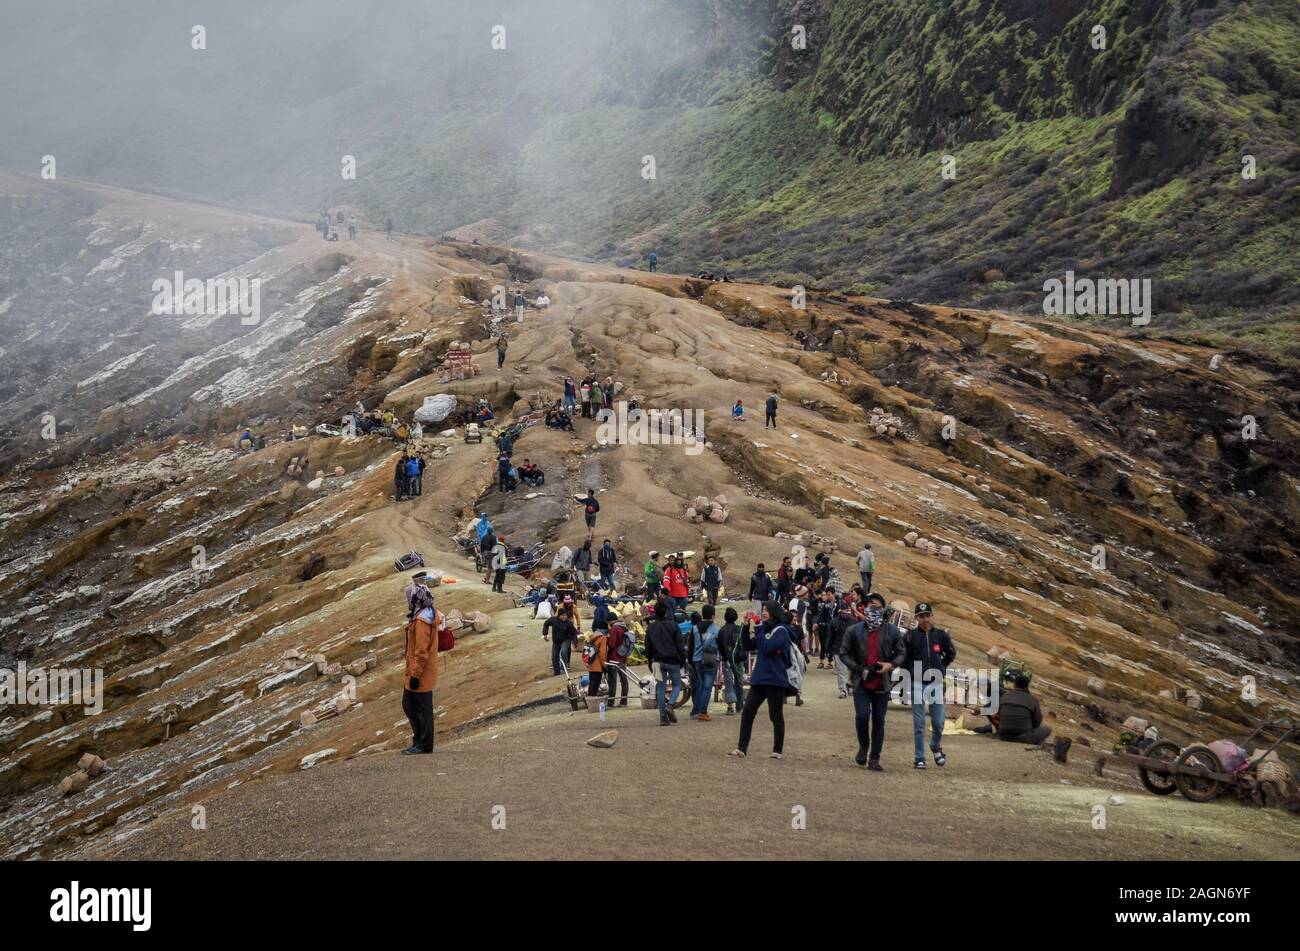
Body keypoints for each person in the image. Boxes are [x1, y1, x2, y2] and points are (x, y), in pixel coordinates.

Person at [839, 595, 905, 770]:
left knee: (878, 721)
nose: (873, 610)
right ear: (864, 608)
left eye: (877, 607)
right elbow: (843, 653)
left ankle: (875, 758)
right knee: (861, 716)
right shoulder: (854, 630)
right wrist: (859, 669)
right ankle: (863, 746)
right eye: (870, 606)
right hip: (861, 680)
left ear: (883, 609)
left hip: (882, 683)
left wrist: (890, 665)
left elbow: (901, 653)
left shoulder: (892, 631)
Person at [730, 600, 794, 759]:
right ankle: (741, 748)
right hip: (759, 679)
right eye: (763, 610)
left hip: (775, 679)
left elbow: (766, 648)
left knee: (775, 716)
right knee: (747, 712)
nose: (763, 612)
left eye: (766, 610)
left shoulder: (782, 631)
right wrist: (746, 626)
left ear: (773, 612)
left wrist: (758, 626)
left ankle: (777, 750)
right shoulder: (764, 629)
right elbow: (749, 646)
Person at [901, 602, 956, 769]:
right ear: (916, 617)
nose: (925, 619)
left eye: (927, 615)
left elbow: (951, 653)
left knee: (939, 722)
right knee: (919, 724)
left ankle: (935, 745)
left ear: (932, 616)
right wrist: (911, 671)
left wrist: (941, 666)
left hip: (936, 682)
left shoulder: (941, 635)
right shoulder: (910, 636)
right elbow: (903, 656)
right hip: (917, 682)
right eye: (921, 616)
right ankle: (919, 757)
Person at [402, 579, 439, 754]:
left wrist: (415, 675)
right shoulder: (423, 614)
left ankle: (424, 744)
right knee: (410, 705)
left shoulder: (422, 621)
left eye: (409, 598)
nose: (408, 601)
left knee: (421, 709)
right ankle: (419, 742)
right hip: (416, 671)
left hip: (420, 673)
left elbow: (421, 651)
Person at [644, 599, 685, 726]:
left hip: (658, 660)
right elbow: (680, 645)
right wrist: (682, 659)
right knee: (677, 685)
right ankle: (671, 705)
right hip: (673, 660)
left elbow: (648, 647)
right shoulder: (674, 625)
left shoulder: (651, 627)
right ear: (667, 611)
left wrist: (650, 661)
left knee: (660, 688)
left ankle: (662, 717)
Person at [996, 673, 1052, 744]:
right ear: (1026, 687)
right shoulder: (1032, 699)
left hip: (1003, 735)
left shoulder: (1005, 696)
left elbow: (999, 714)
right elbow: (1037, 722)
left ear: (1014, 685)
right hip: (1022, 736)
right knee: (1047, 729)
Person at [690, 604, 720, 721]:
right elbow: (721, 646)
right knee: (707, 687)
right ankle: (703, 712)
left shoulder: (695, 628)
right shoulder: (716, 629)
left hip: (697, 660)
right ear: (713, 615)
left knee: (699, 685)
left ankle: (695, 711)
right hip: (711, 660)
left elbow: (691, 646)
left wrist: (690, 660)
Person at [717, 606, 745, 715]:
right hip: (738, 658)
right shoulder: (739, 629)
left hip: (727, 659)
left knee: (728, 682)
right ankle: (740, 706)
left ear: (725, 617)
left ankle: (730, 707)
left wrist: (724, 658)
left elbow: (721, 646)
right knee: (739, 682)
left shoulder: (722, 630)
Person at [543, 606, 578, 675]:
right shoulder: (553, 620)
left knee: (563, 652)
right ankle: (557, 672)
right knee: (554, 656)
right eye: (563, 615)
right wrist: (545, 634)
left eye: (565, 615)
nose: (564, 617)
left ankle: (563, 669)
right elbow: (546, 624)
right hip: (556, 641)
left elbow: (574, 632)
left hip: (566, 639)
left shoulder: (569, 623)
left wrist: (575, 641)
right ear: (559, 615)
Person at [605, 621, 630, 707]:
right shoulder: (624, 628)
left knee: (612, 681)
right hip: (623, 656)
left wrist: (607, 639)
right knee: (624, 679)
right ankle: (624, 701)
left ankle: (611, 703)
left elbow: (612, 644)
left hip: (614, 658)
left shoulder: (614, 629)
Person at [584, 626, 609, 698]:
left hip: (591, 664)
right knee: (595, 685)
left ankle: (589, 701)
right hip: (598, 666)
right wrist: (605, 666)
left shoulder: (591, 637)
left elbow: (587, 652)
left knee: (591, 684)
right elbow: (602, 654)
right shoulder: (602, 638)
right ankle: (592, 702)